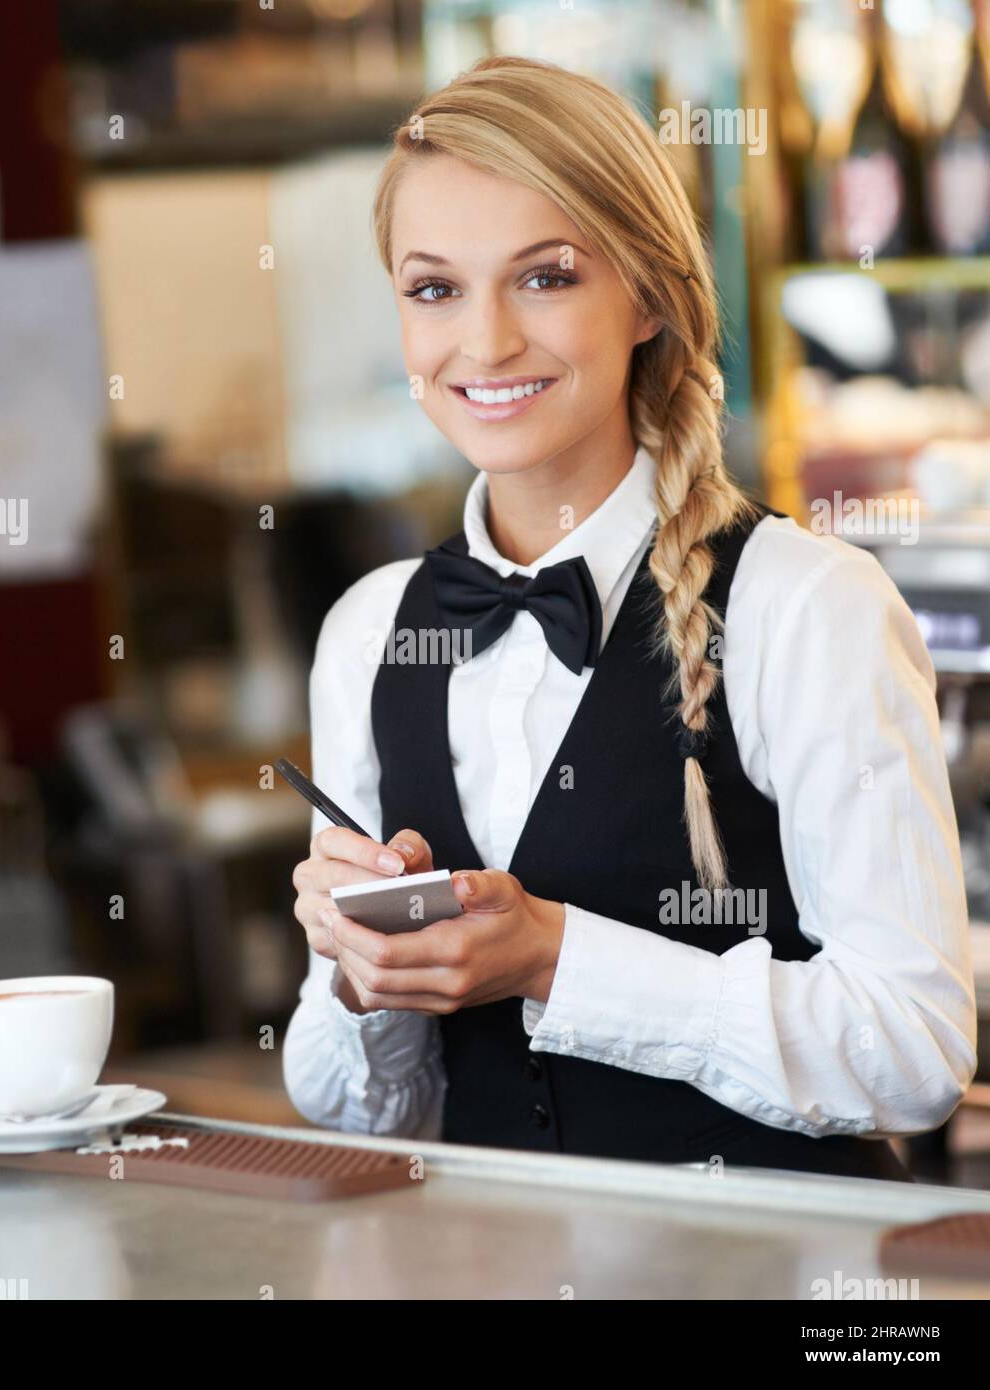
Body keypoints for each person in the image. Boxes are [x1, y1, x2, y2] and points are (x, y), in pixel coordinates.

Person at [282, 56, 975, 1180]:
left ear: (647, 294)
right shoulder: (368, 631)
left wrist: (556, 958)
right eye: (434, 288)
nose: (486, 341)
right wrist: (368, 971)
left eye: (545, 277)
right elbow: (357, 1108)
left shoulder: (809, 607)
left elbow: (916, 1052)